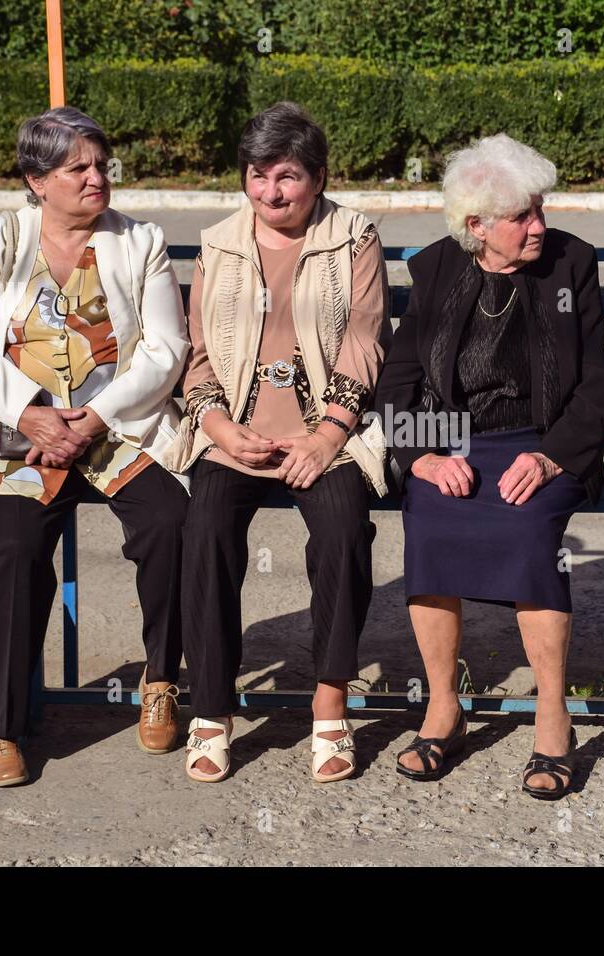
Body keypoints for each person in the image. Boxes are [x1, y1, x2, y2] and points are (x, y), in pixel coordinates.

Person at [0, 107, 191, 787]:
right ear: (36, 180)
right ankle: (1, 723)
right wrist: (34, 414)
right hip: (22, 433)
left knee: (171, 520)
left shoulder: (139, 241)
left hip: (115, 428)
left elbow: (168, 348)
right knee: (17, 552)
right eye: (77, 167)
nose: (96, 178)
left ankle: (162, 680)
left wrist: (92, 418)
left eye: (101, 165)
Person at [373, 134, 604, 800]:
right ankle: (444, 707)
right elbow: (397, 382)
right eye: (522, 217)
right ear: (475, 226)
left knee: (529, 530)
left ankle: (551, 716)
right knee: (428, 521)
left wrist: (550, 456)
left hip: (542, 438)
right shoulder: (437, 271)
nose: (539, 226)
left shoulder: (572, 265)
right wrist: (420, 454)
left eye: (540, 210)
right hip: (452, 436)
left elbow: (595, 385)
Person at [164, 102, 390, 785]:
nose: (271, 193)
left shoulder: (353, 237)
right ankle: (210, 711)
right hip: (237, 436)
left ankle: (329, 709)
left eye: (287, 176)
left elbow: (364, 342)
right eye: (258, 176)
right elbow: (197, 352)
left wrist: (327, 437)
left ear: (318, 178)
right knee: (201, 532)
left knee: (346, 532)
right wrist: (218, 426)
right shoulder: (220, 242)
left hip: (326, 437)